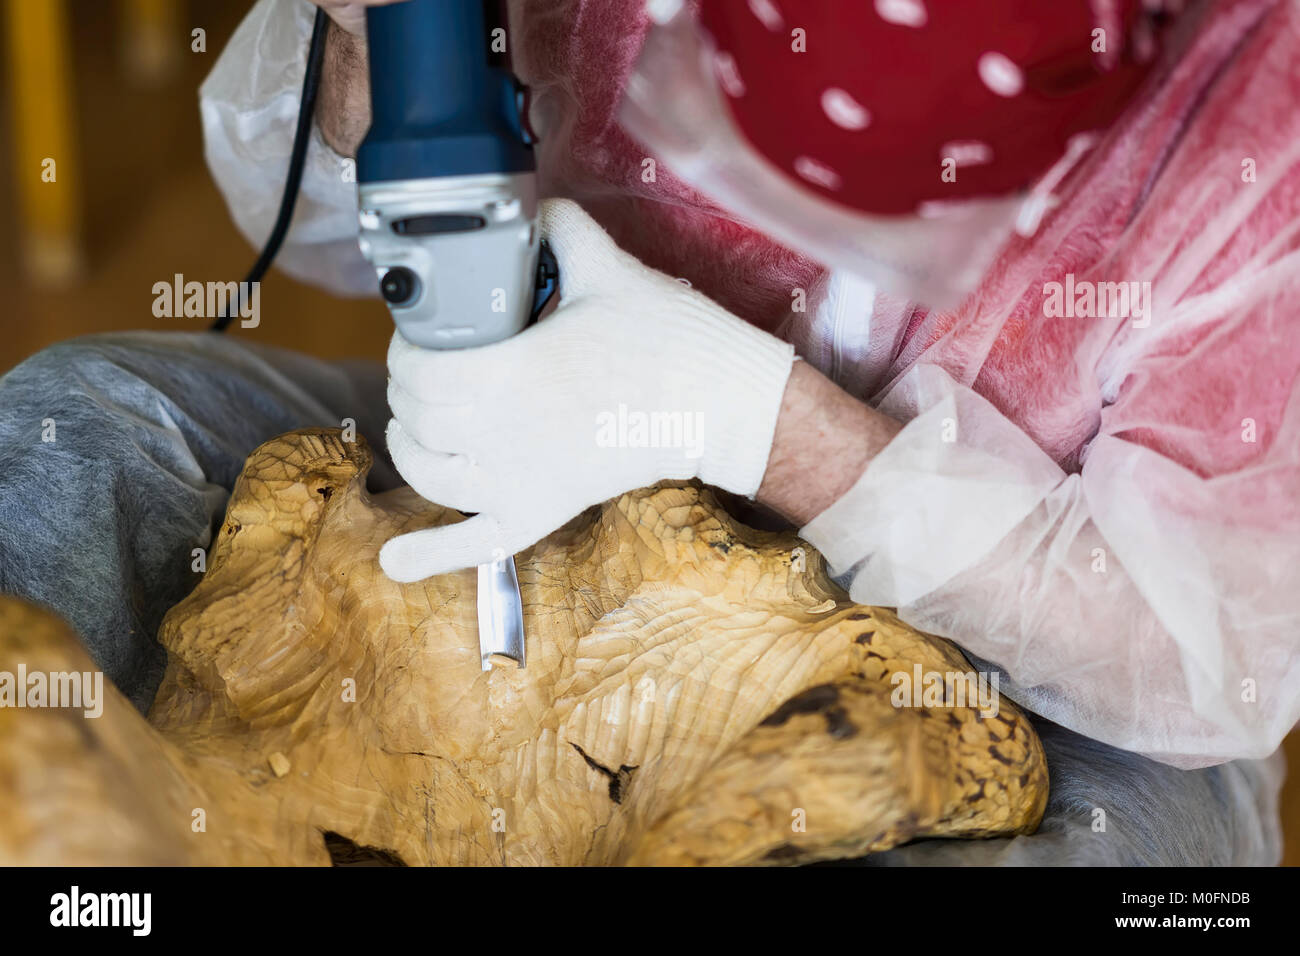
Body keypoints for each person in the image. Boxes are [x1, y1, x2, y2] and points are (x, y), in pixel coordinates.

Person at [0, 0, 1288, 865]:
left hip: (1023, 640)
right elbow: (333, 235)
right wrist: (371, 57)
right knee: (83, 424)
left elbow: (1197, 662)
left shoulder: (1264, 135)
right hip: (515, 422)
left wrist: (747, 417)